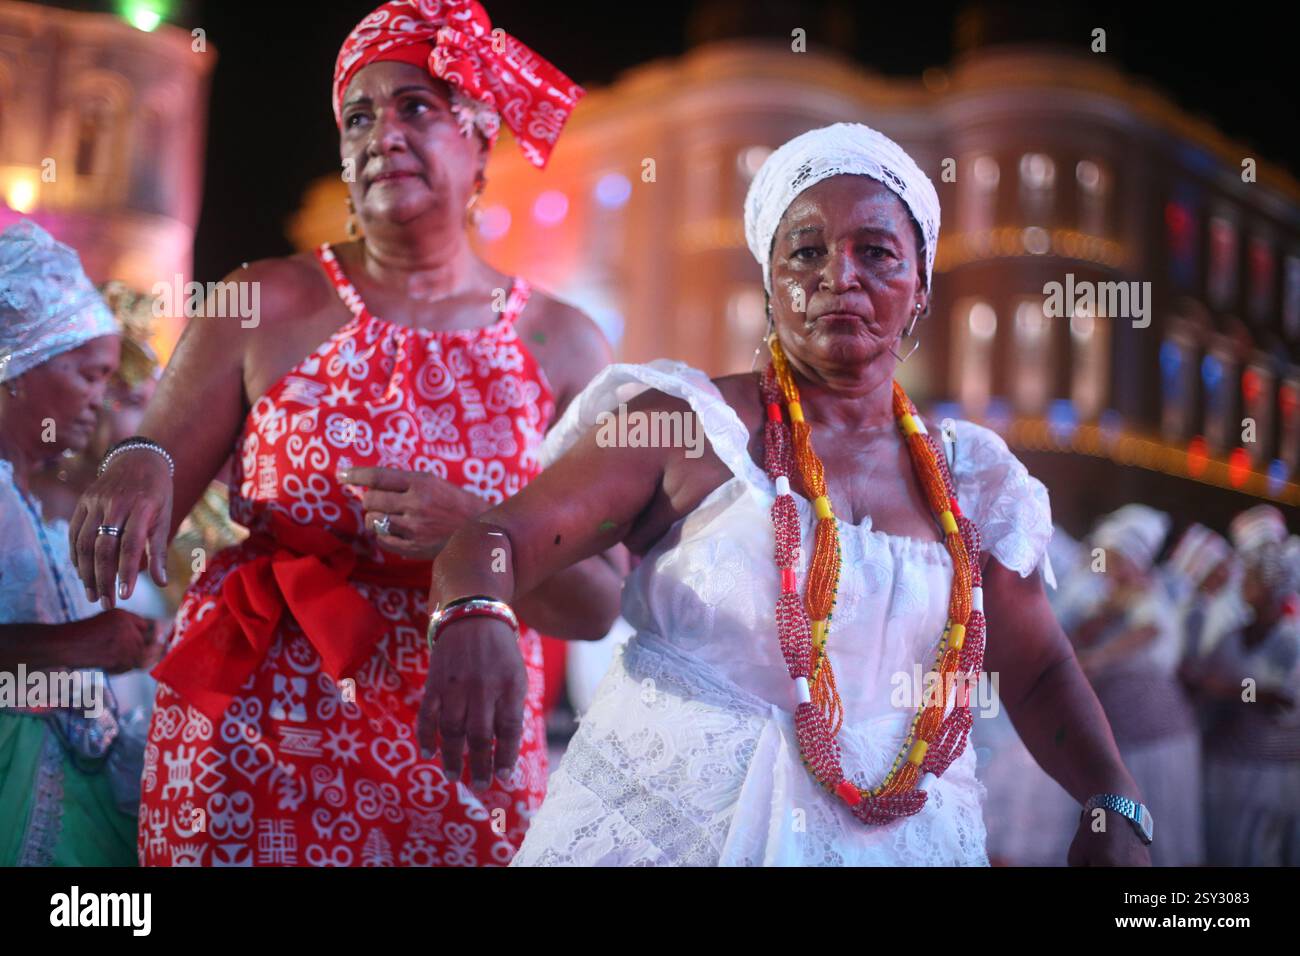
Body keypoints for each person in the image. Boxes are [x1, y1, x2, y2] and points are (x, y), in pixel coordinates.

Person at [418, 123, 1153, 866]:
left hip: (901, 842)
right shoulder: (682, 425)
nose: (840, 276)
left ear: (921, 288)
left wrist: (1112, 797)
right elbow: (497, 540)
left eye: (877, 252)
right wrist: (475, 612)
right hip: (661, 835)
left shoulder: (973, 478)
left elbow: (1040, 669)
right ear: (770, 281)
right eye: (806, 251)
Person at [71, 0, 624, 867]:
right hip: (253, 737)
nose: (381, 134)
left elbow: (599, 603)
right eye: (358, 116)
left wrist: (476, 536)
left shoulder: (562, 342)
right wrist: (135, 462)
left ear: (482, 136)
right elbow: (154, 469)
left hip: (459, 745)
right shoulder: (262, 302)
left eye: (416, 107)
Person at [0, 220, 159, 866]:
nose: (98, 402)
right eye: (89, 375)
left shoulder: (20, 497)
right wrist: (79, 646)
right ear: (17, 368)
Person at [1068, 505, 1204, 865]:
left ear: (1134, 560)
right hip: (1118, 728)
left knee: (1153, 824)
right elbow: (1079, 632)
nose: (1108, 566)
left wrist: (1098, 658)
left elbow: (1149, 629)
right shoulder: (1109, 595)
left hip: (1153, 731)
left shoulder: (1149, 593)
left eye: (1115, 559)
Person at [1188, 505, 1300, 865]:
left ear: (1273, 586)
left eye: (1252, 578)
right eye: (1246, 576)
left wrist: (1226, 688)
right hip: (1224, 770)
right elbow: (1202, 682)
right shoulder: (1231, 635)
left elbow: (1280, 698)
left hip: (1272, 776)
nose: (1242, 584)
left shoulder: (1291, 640)